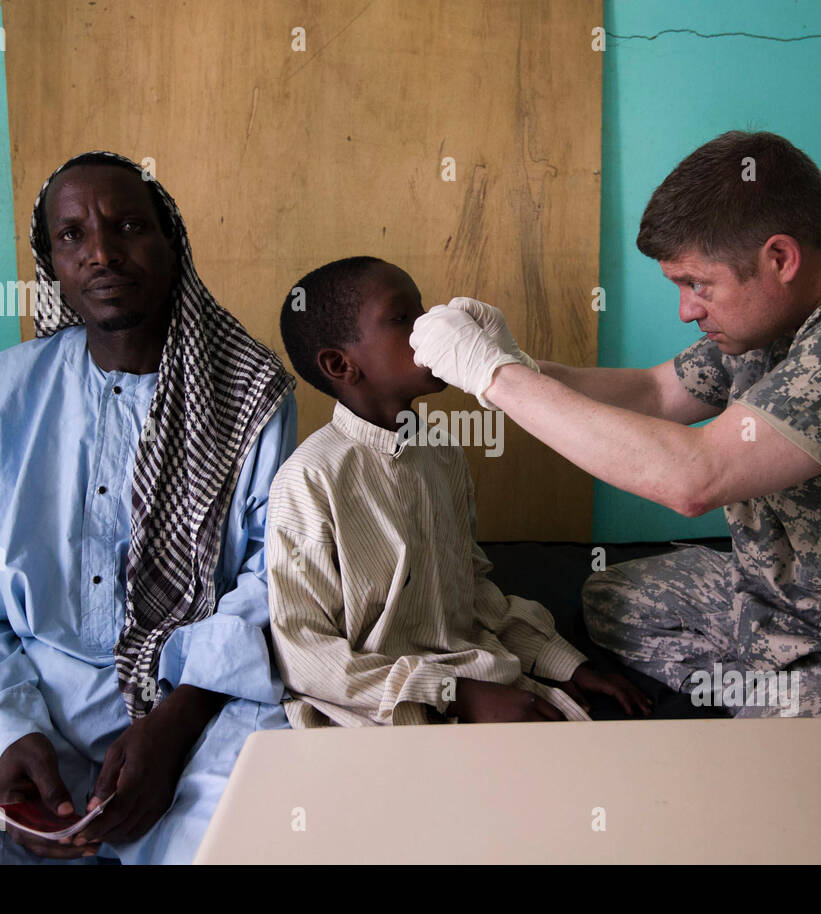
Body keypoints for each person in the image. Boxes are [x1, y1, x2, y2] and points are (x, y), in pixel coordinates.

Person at [410, 130, 821, 718]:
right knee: (615, 598)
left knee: (778, 768)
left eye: (695, 285)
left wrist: (494, 379)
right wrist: (520, 363)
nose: (684, 310)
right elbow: (655, 392)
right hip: (806, 601)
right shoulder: (789, 301)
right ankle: (788, 685)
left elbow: (695, 479)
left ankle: (801, 699)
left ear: (780, 258)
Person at [0, 151, 296, 864]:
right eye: (71, 236)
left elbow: (275, 581)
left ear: (171, 244)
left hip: (198, 698)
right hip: (33, 694)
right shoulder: (10, 392)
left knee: (243, 836)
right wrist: (14, 731)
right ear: (52, 263)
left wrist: (169, 731)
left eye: (128, 226)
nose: (101, 252)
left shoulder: (250, 395)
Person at [266, 257, 650, 727]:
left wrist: (562, 663)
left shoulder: (441, 452)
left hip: (481, 678)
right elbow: (305, 656)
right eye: (402, 317)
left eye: (423, 309)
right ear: (341, 364)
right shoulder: (308, 481)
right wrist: (454, 694)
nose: (431, 326)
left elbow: (469, 591)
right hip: (378, 713)